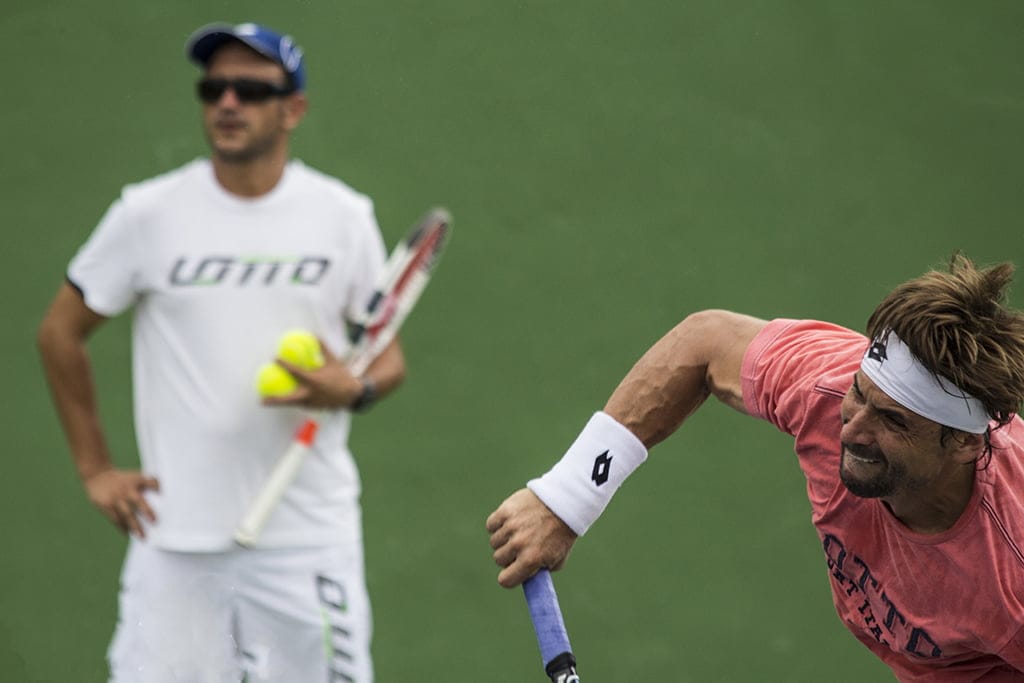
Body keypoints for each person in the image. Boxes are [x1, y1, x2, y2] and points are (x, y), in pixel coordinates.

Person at [37, 22, 403, 682]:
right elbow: (59, 332)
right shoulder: (146, 214)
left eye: (250, 90)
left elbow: (387, 356)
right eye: (213, 89)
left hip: (307, 542)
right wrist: (96, 468)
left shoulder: (343, 217)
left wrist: (350, 389)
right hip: (175, 545)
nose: (227, 103)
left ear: (294, 109)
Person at [487, 254, 1024, 681]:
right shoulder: (824, 386)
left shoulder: (1011, 563)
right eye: (859, 396)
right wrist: (568, 497)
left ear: (962, 443)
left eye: (892, 421)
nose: (853, 430)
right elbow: (705, 341)